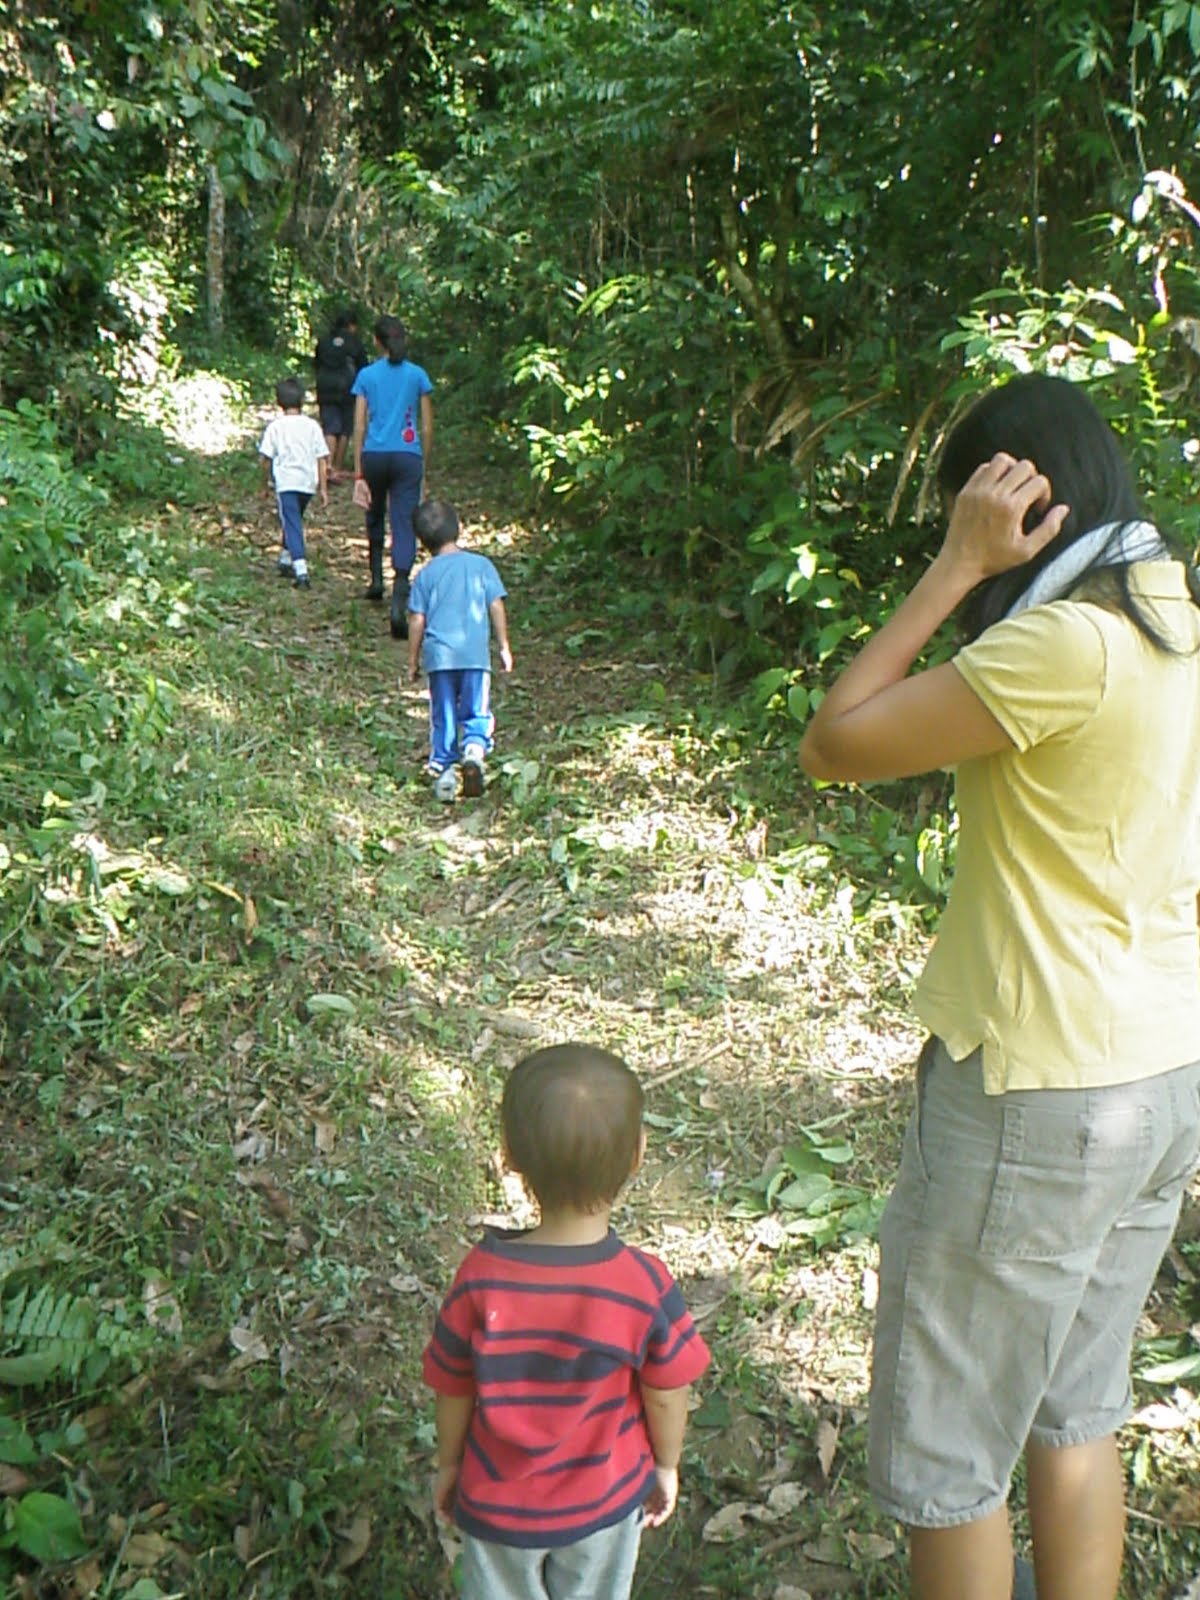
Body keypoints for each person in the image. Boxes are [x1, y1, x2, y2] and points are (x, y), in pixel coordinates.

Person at [798, 373, 1200, 1600]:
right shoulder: (1173, 612)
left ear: (1020, 499)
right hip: (1160, 1070)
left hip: (1039, 1091)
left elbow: (835, 742)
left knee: (949, 1448)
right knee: (1076, 1400)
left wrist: (956, 570)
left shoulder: (1065, 640)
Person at [423, 1044, 711, 1600]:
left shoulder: (481, 1277)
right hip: (604, 1502)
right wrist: (666, 1465)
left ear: (509, 1155)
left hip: (497, 1503)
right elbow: (667, 1391)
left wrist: (450, 1463)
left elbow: (453, 1386)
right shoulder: (643, 1284)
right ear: (637, 1156)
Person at [407, 498, 513, 801]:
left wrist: (412, 661)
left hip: (440, 658)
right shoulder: (481, 566)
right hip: (475, 657)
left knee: (444, 714)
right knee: (476, 709)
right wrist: (503, 645)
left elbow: (417, 620)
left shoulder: (426, 575)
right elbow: (496, 604)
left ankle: (445, 773)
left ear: (422, 541)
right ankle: (474, 752)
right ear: (459, 528)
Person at [350, 314, 434, 628]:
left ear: (376, 341)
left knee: (374, 514)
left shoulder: (366, 376)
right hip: (407, 456)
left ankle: (375, 579)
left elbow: (359, 423)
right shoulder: (418, 376)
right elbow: (426, 426)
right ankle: (400, 592)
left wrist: (359, 469)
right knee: (403, 520)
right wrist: (422, 463)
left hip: (374, 454)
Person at [258, 376, 329, 589]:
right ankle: (285, 557)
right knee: (293, 519)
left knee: (292, 523)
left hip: (287, 482)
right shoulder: (312, 426)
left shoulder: (276, 427)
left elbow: (265, 458)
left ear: (279, 401)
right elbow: (322, 458)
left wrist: (264, 484)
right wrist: (324, 488)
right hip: (307, 482)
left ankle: (301, 570)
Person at [313, 309, 367, 476]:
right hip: (347, 387)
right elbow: (363, 367)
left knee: (330, 427)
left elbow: (316, 363)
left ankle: (327, 466)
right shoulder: (355, 342)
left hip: (325, 386)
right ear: (351, 325)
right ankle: (337, 465)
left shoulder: (324, 341)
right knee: (345, 428)